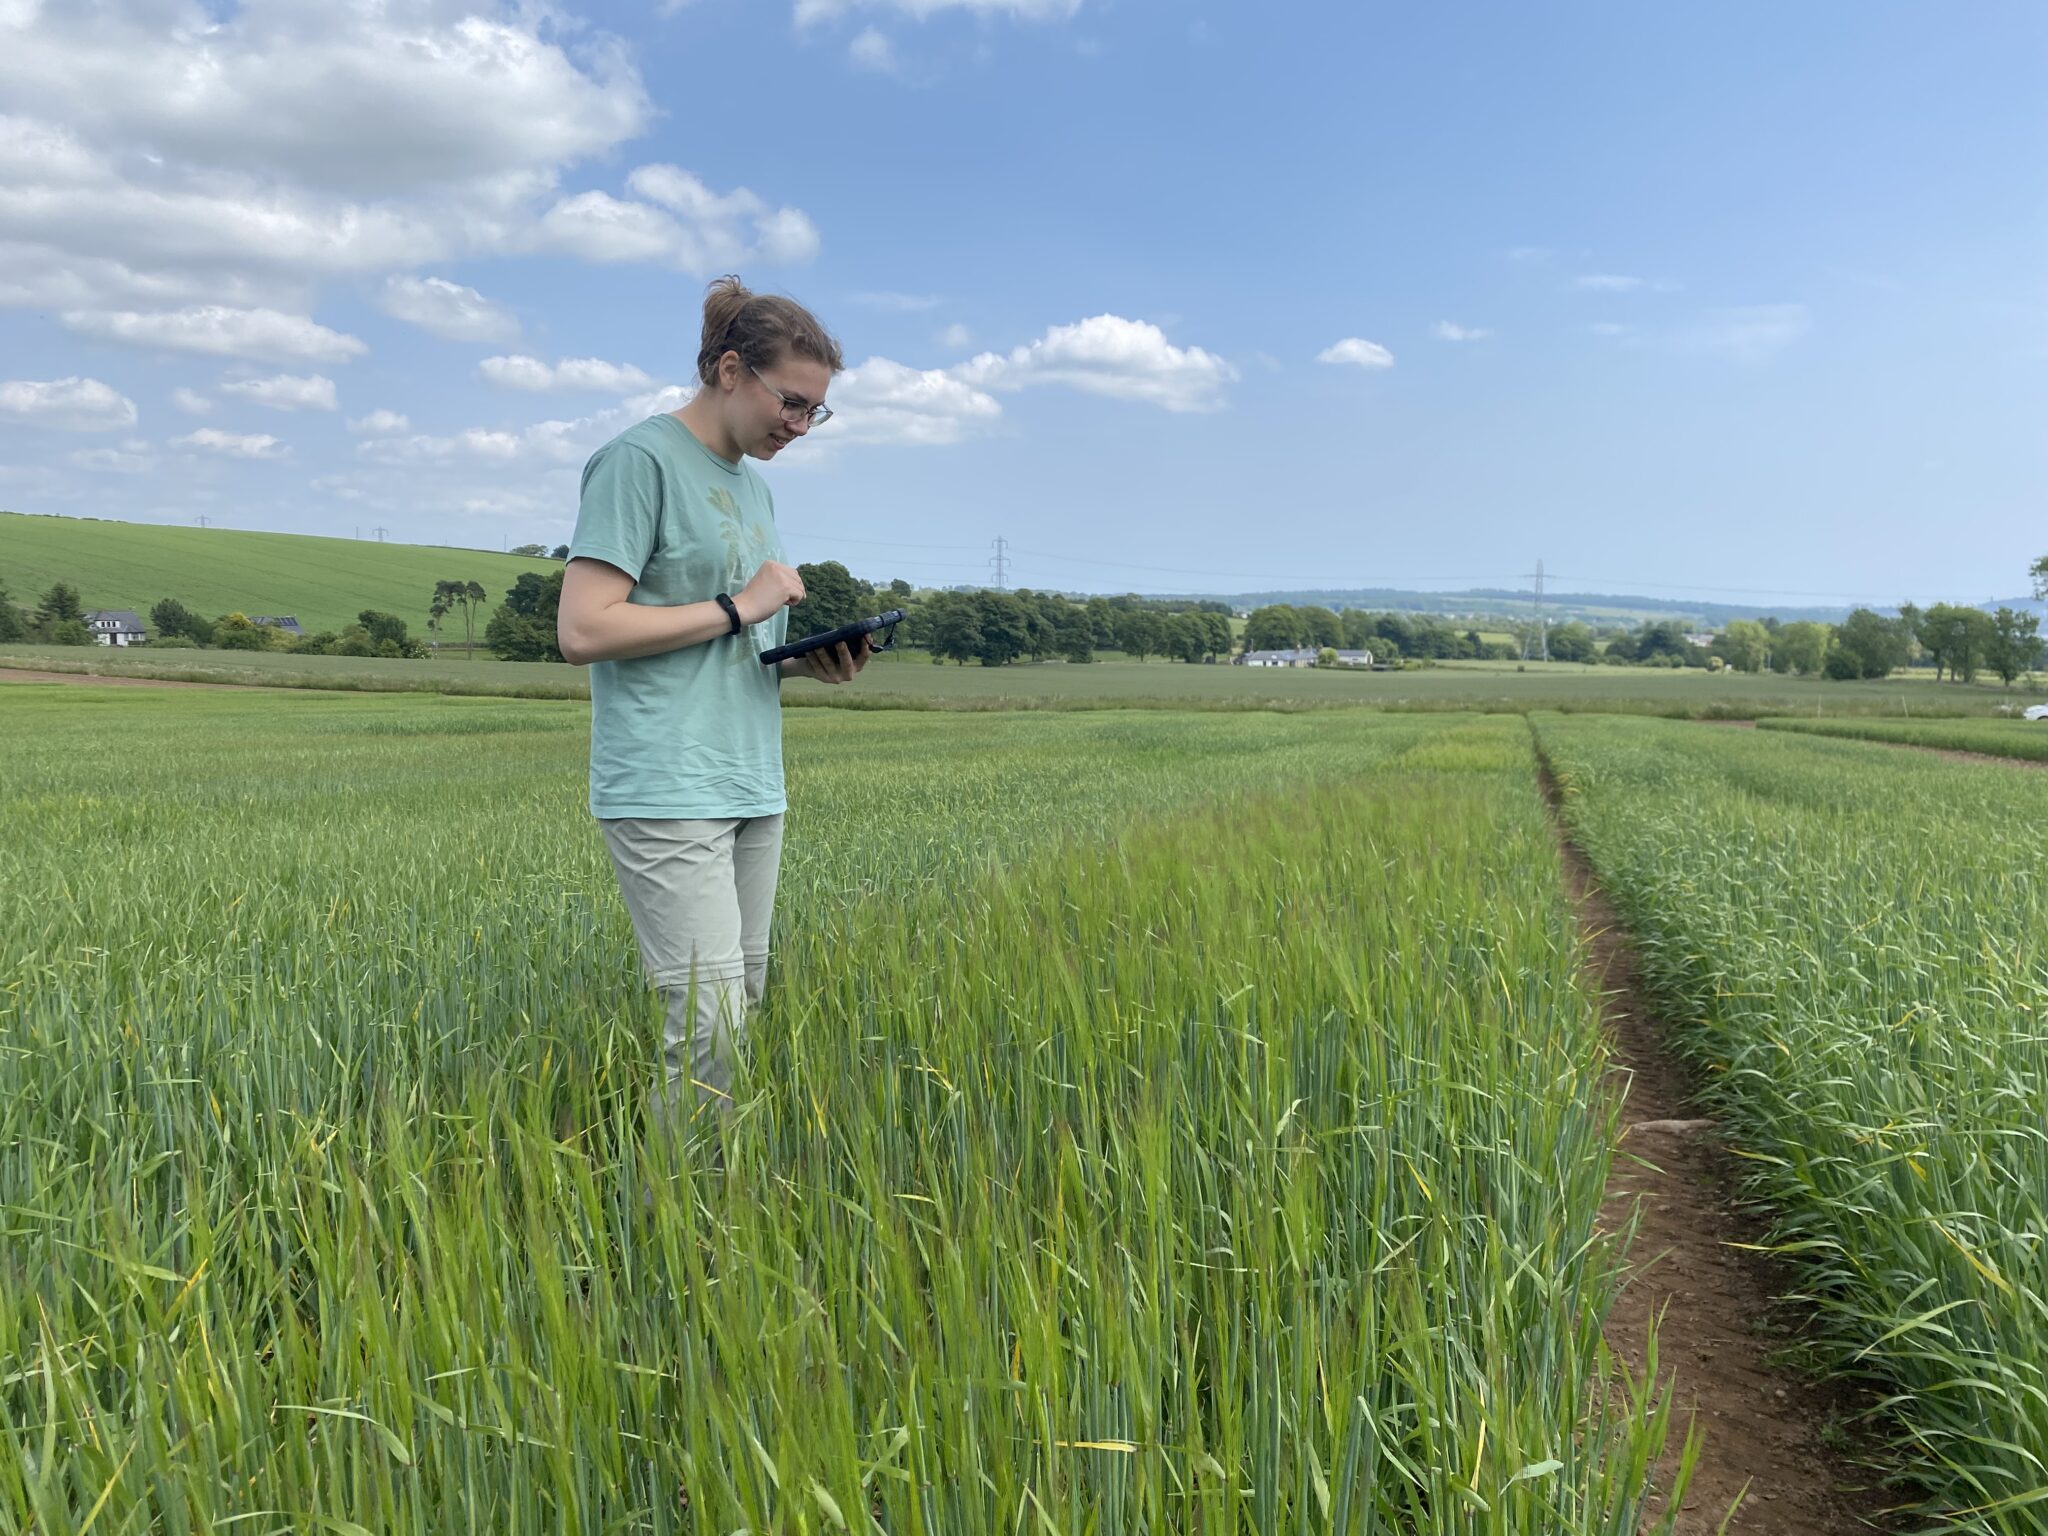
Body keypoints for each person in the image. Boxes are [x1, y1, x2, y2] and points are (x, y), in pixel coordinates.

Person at [557, 275, 870, 1127]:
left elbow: (737, 642)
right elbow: (583, 630)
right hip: (665, 782)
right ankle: (661, 1231)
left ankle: (718, 1218)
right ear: (730, 370)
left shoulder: (753, 488)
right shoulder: (639, 462)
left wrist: (809, 662)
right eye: (792, 403)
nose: (799, 427)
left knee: (743, 1012)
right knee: (710, 1025)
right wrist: (743, 607)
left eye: (815, 413)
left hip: (749, 779)